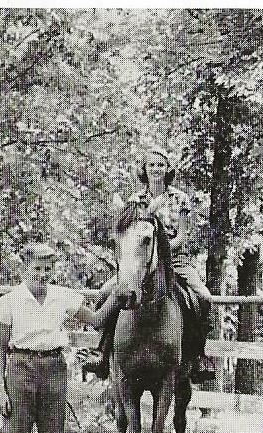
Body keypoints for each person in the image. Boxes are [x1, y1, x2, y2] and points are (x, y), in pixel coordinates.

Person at [0, 243, 128, 433]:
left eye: (47, 269)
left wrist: (117, 295)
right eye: (37, 269)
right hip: (20, 370)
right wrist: (0, 388)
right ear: (24, 269)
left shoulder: (63, 296)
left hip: (54, 370)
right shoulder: (9, 302)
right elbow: (0, 349)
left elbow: (96, 320)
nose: (42, 274)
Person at [83, 146, 215, 383]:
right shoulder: (135, 201)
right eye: (151, 165)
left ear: (168, 169)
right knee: (104, 292)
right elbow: (127, 233)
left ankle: (198, 355)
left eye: (160, 165)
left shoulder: (180, 199)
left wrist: (161, 250)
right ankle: (102, 350)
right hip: (139, 261)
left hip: (175, 260)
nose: (156, 169)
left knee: (203, 297)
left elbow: (182, 236)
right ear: (144, 169)